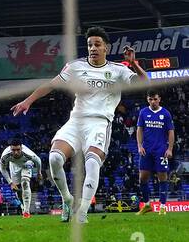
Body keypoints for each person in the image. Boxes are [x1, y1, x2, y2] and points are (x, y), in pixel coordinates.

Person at [12, 26, 145, 223]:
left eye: (97, 44)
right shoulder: (75, 66)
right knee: (55, 158)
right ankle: (67, 199)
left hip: (99, 123)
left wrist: (134, 64)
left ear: (106, 48)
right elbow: (51, 84)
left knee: (92, 162)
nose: (92, 48)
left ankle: (82, 211)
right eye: (90, 44)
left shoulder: (118, 70)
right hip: (76, 121)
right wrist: (28, 101)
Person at [136, 90, 175, 212]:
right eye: (150, 99)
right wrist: (139, 145)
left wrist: (169, 149)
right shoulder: (143, 112)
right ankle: (147, 205)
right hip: (146, 150)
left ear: (159, 99)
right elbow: (139, 129)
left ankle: (163, 206)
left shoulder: (165, 113)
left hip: (161, 150)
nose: (153, 101)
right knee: (142, 177)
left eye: (155, 99)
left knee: (162, 177)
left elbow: (171, 131)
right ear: (148, 100)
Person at [0, 138, 43, 218]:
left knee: (25, 182)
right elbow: (2, 169)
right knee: (18, 191)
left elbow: (38, 161)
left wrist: (39, 173)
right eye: (13, 150)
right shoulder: (5, 155)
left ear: (21, 148)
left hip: (26, 164)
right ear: (10, 148)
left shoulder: (28, 154)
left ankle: (26, 212)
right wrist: (10, 183)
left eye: (18, 150)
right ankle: (23, 206)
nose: (16, 152)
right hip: (14, 167)